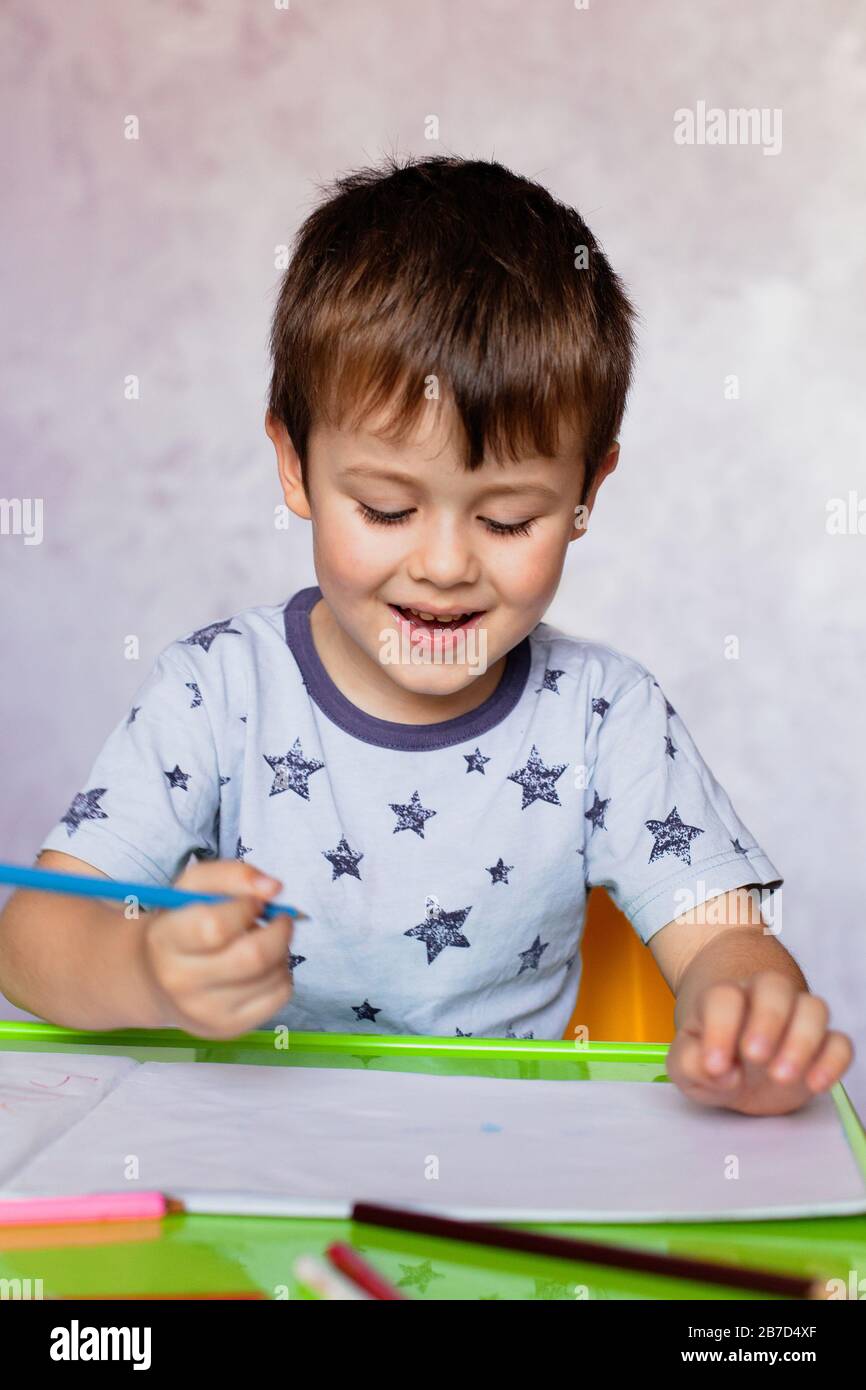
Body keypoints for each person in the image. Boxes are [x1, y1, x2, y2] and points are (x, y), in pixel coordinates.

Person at [0, 155, 853, 1115]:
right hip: (252, 1189)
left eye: (507, 520)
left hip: (509, 1194)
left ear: (587, 495)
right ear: (294, 464)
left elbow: (727, 941)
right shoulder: (217, 692)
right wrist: (147, 971)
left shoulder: (603, 715)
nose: (445, 565)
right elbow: (32, 940)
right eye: (387, 507)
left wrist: (750, 1015)